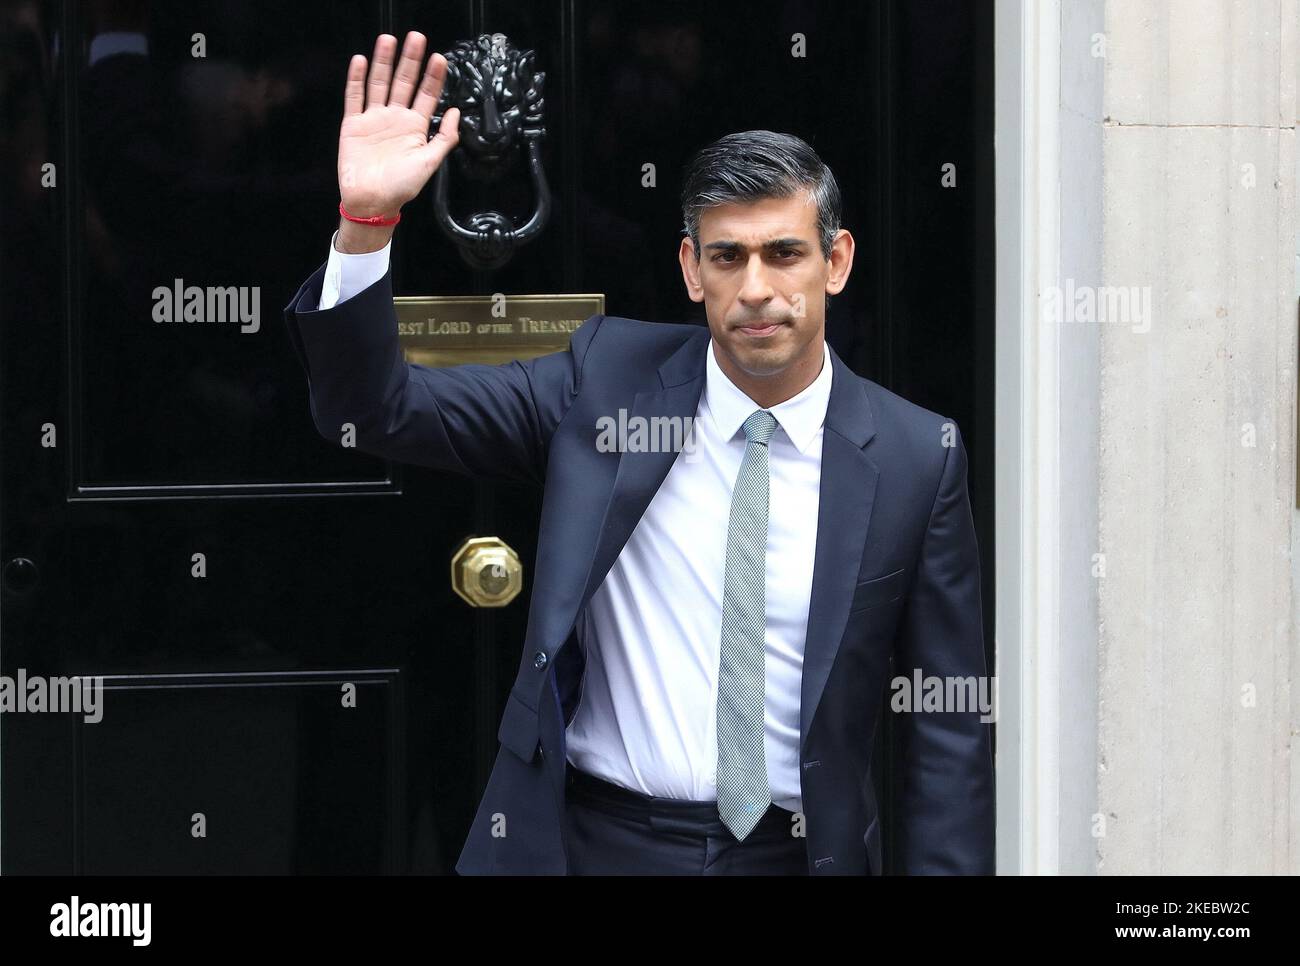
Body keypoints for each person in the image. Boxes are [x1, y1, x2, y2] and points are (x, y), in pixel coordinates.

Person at [282, 31, 994, 875]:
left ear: (835, 262)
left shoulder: (917, 456)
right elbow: (377, 409)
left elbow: (945, 737)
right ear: (692, 270)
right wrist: (367, 224)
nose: (757, 288)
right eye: (727, 257)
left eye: (784, 253)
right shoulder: (606, 381)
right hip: (600, 846)